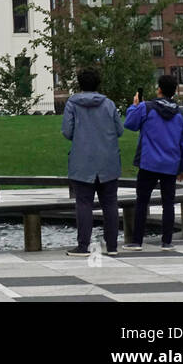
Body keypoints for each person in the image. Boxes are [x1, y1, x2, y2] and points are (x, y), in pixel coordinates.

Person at [123, 74, 183, 250]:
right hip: (170, 165)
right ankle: (167, 241)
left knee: (142, 201)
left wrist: (134, 105)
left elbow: (130, 123)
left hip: (149, 162)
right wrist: (181, 166)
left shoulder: (147, 108)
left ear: (159, 89)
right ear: (174, 92)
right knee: (168, 203)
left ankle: (137, 241)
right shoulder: (181, 114)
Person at [61, 67, 124, 257]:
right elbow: (119, 130)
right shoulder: (109, 104)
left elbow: (67, 131)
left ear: (79, 84)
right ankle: (112, 246)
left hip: (82, 161)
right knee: (110, 203)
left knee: (84, 204)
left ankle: (83, 246)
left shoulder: (72, 104)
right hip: (108, 161)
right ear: (98, 83)